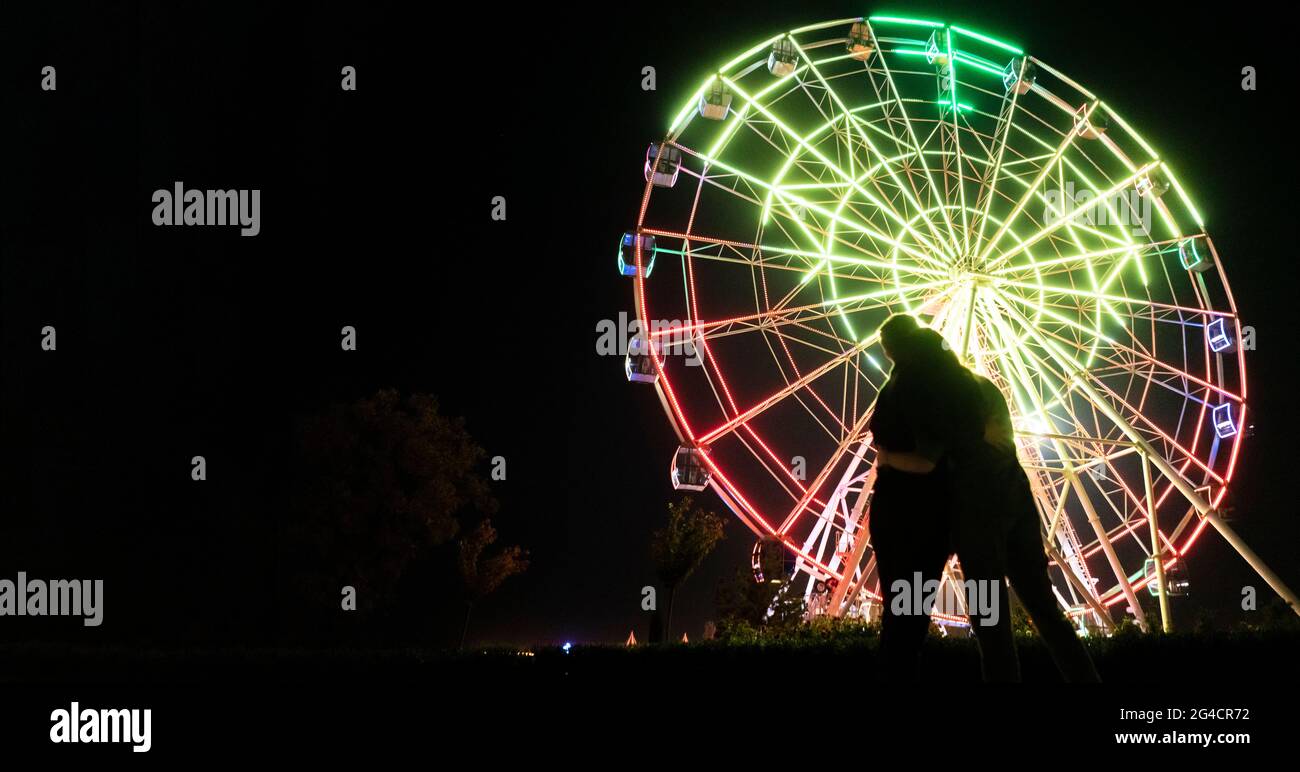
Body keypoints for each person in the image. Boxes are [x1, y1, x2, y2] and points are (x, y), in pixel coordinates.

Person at [883, 322, 1101, 683]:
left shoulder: (942, 400)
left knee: (990, 623)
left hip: (976, 525)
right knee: (1046, 611)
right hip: (1017, 508)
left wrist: (889, 459)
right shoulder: (987, 389)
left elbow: (928, 461)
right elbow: (1000, 443)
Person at [865, 314, 955, 680]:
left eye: (886, 348)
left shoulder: (912, 384)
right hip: (927, 516)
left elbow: (926, 458)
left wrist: (886, 458)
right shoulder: (934, 379)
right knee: (909, 615)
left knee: (902, 617)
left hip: (907, 514)